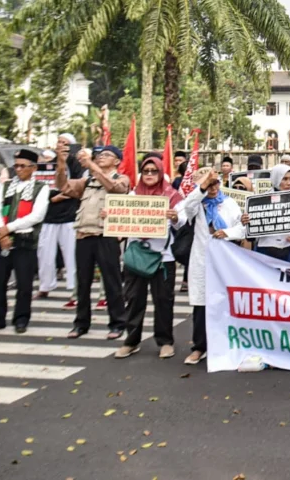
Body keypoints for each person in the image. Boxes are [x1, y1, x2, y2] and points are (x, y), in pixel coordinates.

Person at [56, 144, 130, 340]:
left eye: (107, 155)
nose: (100, 157)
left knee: (112, 281)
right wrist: (61, 164)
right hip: (84, 235)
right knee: (83, 282)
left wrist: (91, 166)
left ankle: (117, 323)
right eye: (99, 155)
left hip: (107, 236)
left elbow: (115, 189)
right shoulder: (87, 180)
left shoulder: (121, 179)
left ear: (117, 161)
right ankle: (81, 323)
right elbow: (63, 186)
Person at [117, 155, 185, 359]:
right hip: (135, 256)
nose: (149, 175)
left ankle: (165, 341)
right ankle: (131, 341)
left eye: (153, 171)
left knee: (163, 300)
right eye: (145, 171)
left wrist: (174, 218)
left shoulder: (172, 196)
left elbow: (182, 222)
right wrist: (110, 216)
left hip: (163, 257)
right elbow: (119, 220)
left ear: (161, 172)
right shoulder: (132, 196)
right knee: (133, 299)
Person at [0, 148, 50, 334]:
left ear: (33, 168)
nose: (18, 169)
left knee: (24, 283)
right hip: (3, 239)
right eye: (16, 165)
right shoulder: (5, 186)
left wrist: (8, 229)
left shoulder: (41, 188)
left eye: (22, 166)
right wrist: (1, 234)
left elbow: (37, 215)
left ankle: (21, 319)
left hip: (25, 240)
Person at [181, 167, 245, 364]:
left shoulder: (229, 203)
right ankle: (199, 346)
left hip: (225, 259)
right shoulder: (197, 205)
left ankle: (224, 344)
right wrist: (202, 186)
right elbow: (188, 206)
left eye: (215, 183)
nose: (213, 188)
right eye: (209, 184)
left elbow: (242, 228)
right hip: (202, 258)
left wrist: (228, 232)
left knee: (224, 302)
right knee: (201, 304)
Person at [37, 144, 80, 302]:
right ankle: (45, 286)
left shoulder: (76, 165)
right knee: (44, 254)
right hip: (48, 217)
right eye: (59, 144)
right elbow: (39, 189)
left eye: (65, 145)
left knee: (71, 255)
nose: (61, 147)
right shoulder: (45, 166)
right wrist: (51, 198)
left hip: (68, 218)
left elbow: (76, 188)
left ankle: (74, 289)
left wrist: (61, 195)